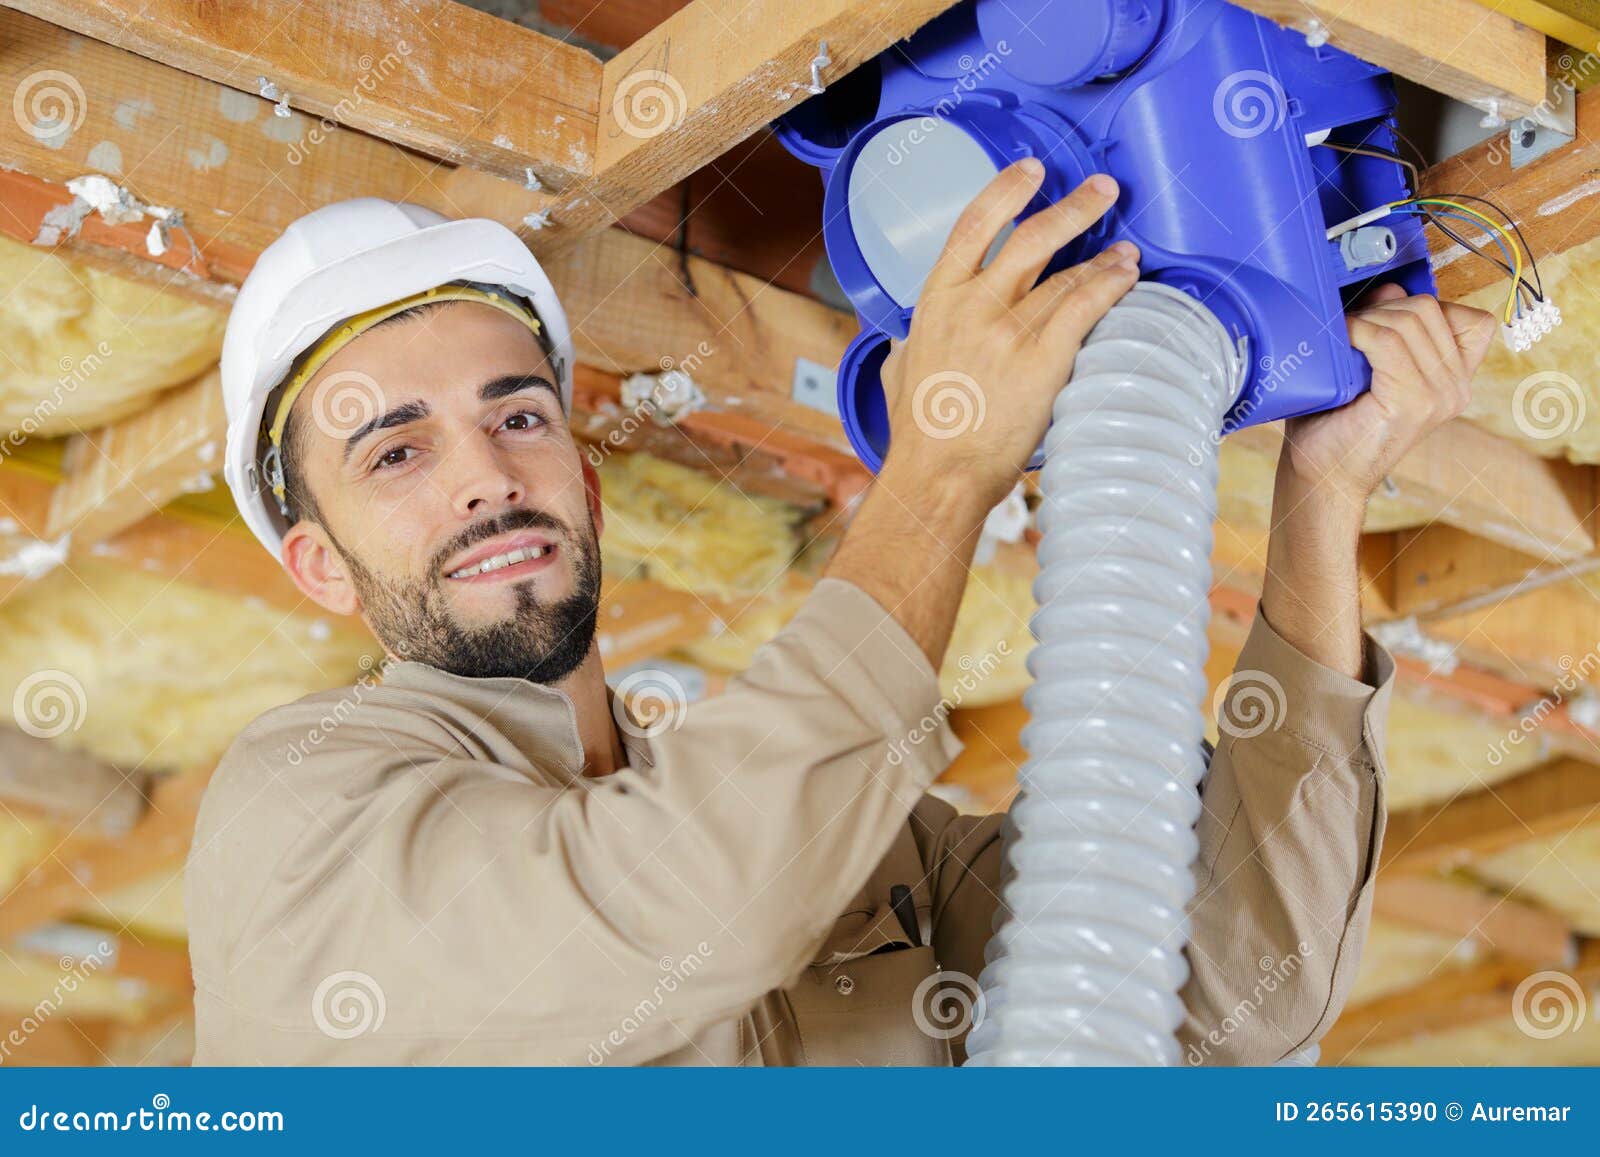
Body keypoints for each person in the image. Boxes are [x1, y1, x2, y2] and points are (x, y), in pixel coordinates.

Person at [189, 161, 1496, 1064]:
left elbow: (1230, 991)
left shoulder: (854, 845)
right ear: (319, 566)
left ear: (585, 483)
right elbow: (686, 899)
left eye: (515, 413)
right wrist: (942, 466)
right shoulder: (302, 818)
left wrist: (1323, 499)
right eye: (395, 452)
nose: (486, 473)